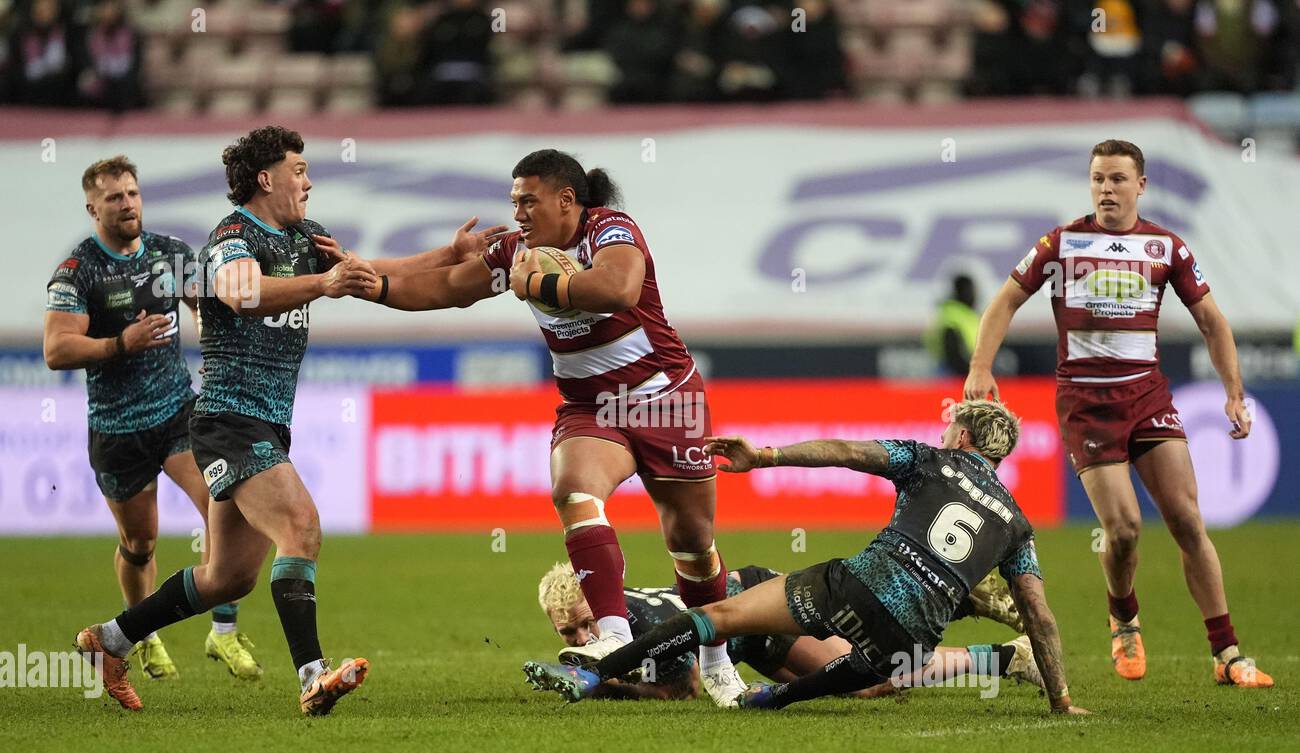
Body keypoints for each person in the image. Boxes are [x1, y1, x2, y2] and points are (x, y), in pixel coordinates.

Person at [74, 125, 505, 714]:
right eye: (298, 170)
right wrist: (322, 285)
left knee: (227, 577)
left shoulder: (307, 236)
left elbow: (365, 270)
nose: (308, 181)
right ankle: (312, 676)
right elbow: (240, 291)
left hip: (266, 423)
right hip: (229, 418)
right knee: (301, 527)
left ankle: (110, 640)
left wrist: (448, 256)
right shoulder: (231, 237)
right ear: (266, 178)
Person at [378, 148, 750, 707]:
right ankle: (613, 636)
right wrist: (372, 284)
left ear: (566, 200)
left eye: (528, 200)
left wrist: (541, 288)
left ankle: (718, 662)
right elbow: (446, 288)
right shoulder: (515, 250)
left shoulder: (612, 229)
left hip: (666, 399)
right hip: (589, 406)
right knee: (573, 490)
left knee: (692, 544)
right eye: (514, 201)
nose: (519, 212)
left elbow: (619, 289)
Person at [525, 400, 1088, 717]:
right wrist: (1062, 699)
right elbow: (1039, 613)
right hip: (909, 627)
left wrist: (766, 455)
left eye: (950, 427)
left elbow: (844, 452)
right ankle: (968, 614)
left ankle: (598, 672)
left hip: (850, 587)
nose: (944, 431)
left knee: (715, 618)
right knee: (874, 678)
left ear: (962, 437)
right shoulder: (1018, 524)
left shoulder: (930, 460)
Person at [963, 138, 1273, 688]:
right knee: (1124, 528)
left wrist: (1233, 393)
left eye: (1117, 179)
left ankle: (1227, 654)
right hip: (1086, 403)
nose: (1106, 188)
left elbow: (1212, 322)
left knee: (1185, 518)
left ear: (1140, 186)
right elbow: (1004, 300)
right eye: (1098, 179)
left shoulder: (1165, 248)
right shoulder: (1061, 242)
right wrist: (981, 368)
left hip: (1147, 396)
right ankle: (1124, 616)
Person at [46, 154, 259, 682]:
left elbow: (207, 303)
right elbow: (56, 349)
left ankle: (224, 631)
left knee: (221, 500)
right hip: (117, 430)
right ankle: (140, 635)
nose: (127, 204)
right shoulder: (78, 271)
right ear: (92, 206)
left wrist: (215, 345)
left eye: (133, 193)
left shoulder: (171, 254)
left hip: (176, 414)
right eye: (115, 197)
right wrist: (122, 342)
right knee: (141, 545)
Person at [537, 561, 1044, 701]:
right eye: (569, 632)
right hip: (745, 642)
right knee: (863, 682)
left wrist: (614, 686)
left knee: (870, 677)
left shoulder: (635, 624)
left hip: (757, 607)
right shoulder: (612, 625)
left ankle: (1008, 654)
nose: (583, 638)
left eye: (587, 623)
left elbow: (683, 687)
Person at [925, 274, 981, 376]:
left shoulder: (966, 314)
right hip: (952, 374)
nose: (974, 295)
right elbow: (952, 354)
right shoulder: (953, 316)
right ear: (961, 292)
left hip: (966, 370)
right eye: (970, 290)